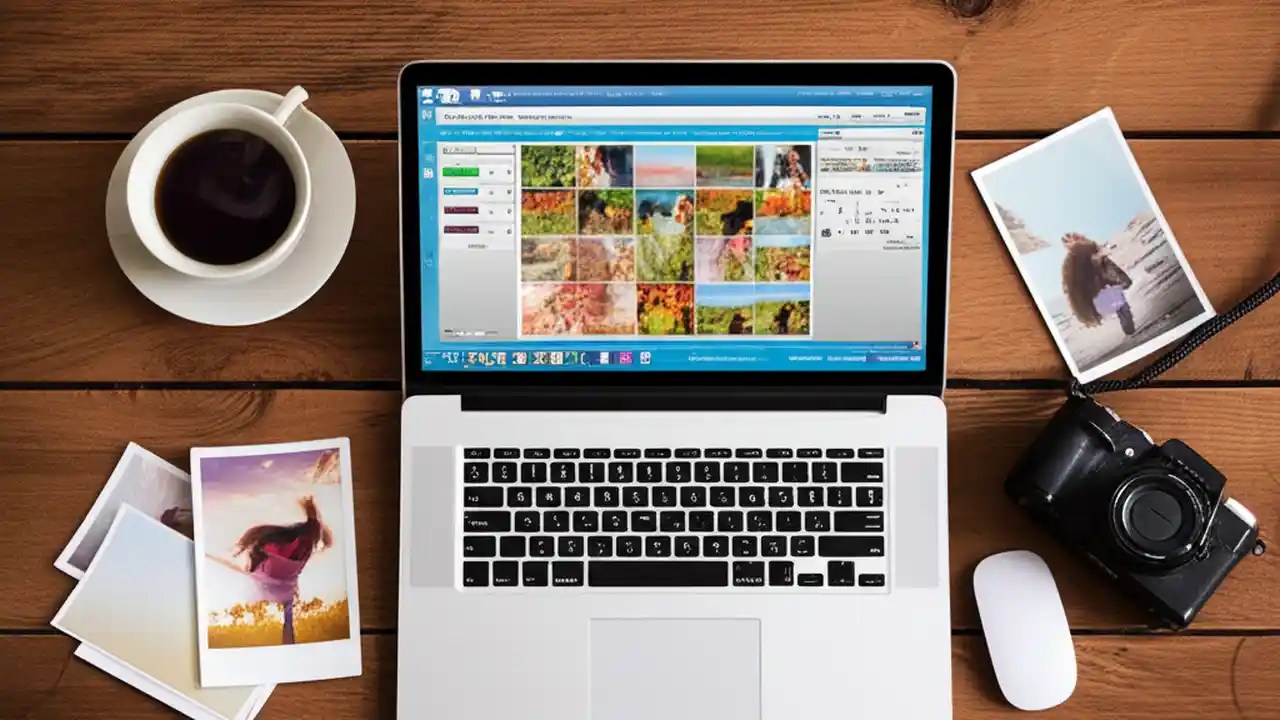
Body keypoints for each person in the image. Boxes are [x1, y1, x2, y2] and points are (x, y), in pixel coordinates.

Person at [233, 495, 333, 644]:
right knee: (287, 608)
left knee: (287, 609)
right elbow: (291, 563)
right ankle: (288, 639)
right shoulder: (303, 540)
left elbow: (295, 568)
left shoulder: (305, 542)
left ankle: (288, 640)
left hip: (283, 573)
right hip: (279, 570)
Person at [1060, 232, 1135, 335]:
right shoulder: (1075, 260)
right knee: (1121, 306)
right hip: (1101, 293)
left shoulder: (1078, 257)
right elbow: (1072, 287)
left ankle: (1128, 329)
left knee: (1121, 306)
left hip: (1101, 293)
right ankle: (1128, 330)